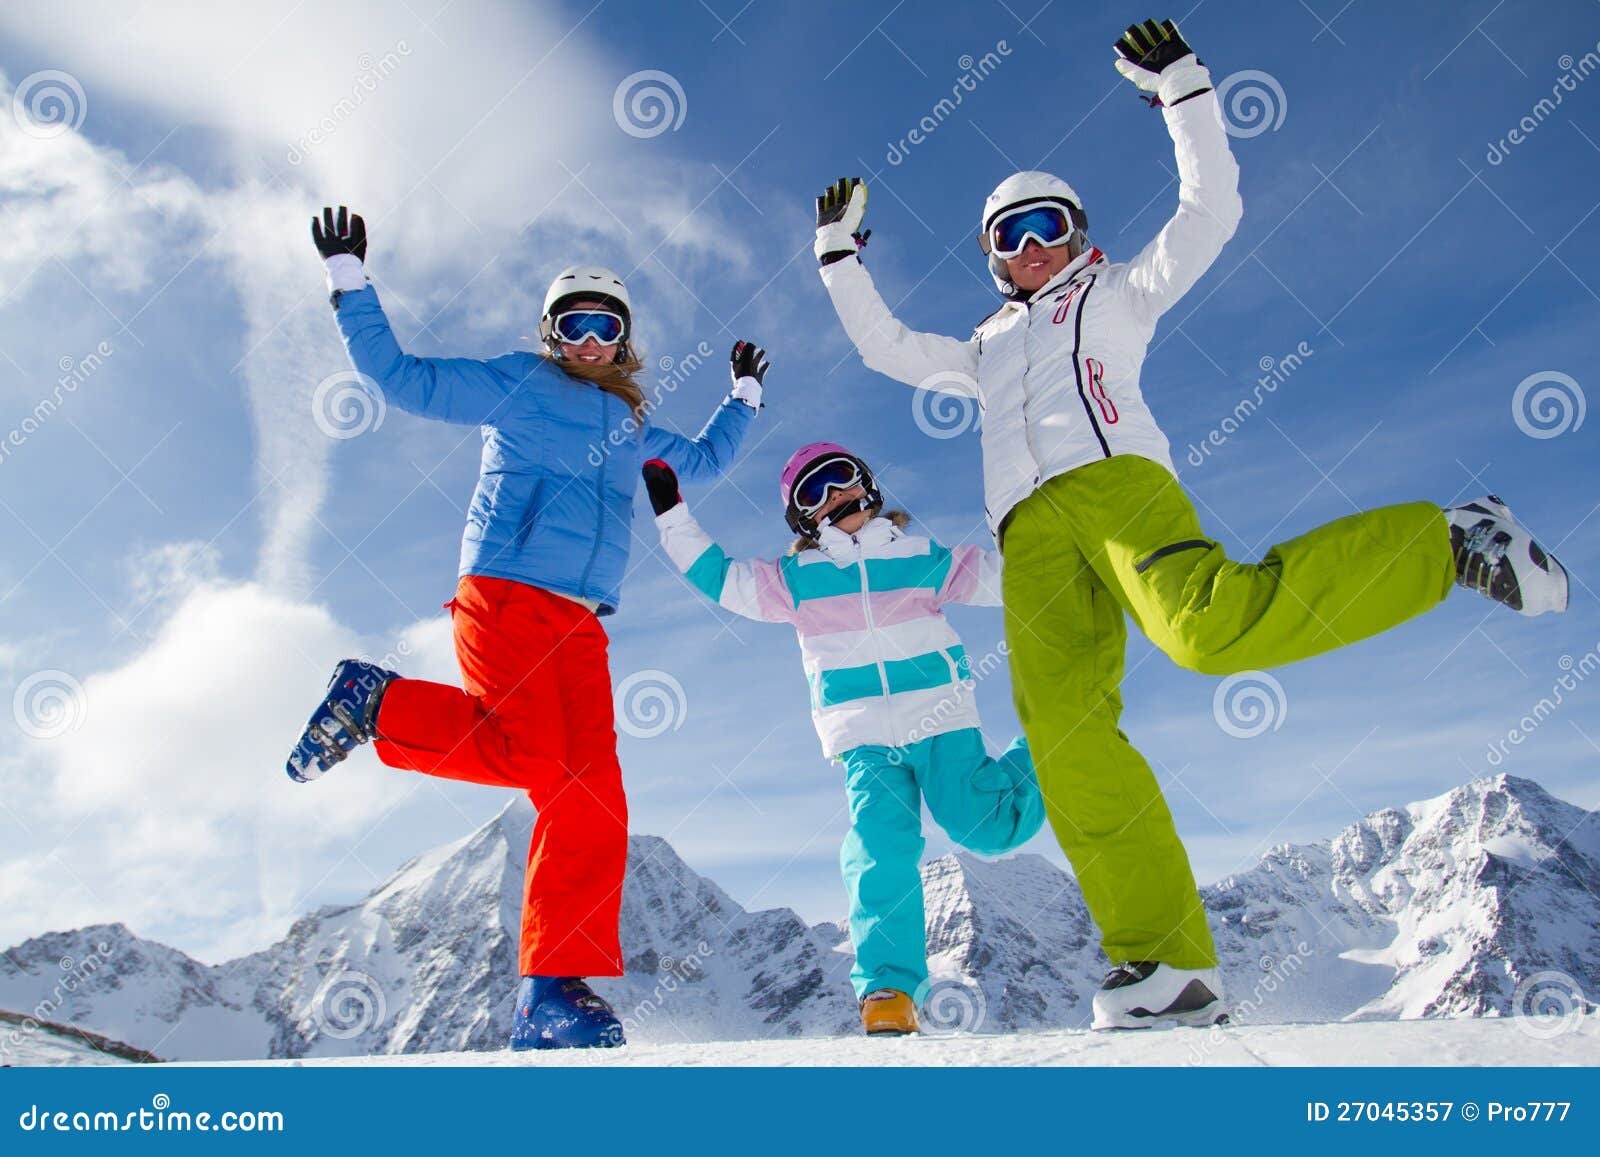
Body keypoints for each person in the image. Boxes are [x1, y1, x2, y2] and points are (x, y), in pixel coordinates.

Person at [813, 20, 1569, 1030]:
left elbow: (1208, 213)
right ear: (992, 261)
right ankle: (1166, 965)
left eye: (1049, 226)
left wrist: (1184, 93)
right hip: (1027, 542)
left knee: (1207, 630)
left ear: (1079, 234)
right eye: (1010, 236)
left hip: (1119, 489)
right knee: (1068, 741)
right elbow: (885, 348)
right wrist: (836, 257)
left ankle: (1449, 540)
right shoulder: (983, 348)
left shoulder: (1117, 295)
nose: (1034, 249)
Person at [284, 206, 770, 1050]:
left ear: (623, 342)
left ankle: (552, 991)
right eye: (573, 324)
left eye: (605, 326)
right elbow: (401, 378)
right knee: (542, 760)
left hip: (582, 625)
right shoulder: (518, 382)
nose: (589, 340)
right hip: (506, 591)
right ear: (551, 333)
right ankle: (381, 703)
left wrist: (744, 398)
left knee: (592, 797)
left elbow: (708, 461)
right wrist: (349, 281)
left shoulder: (633, 428)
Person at [641, 443, 1044, 1035]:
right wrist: (671, 512)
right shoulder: (794, 581)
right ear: (801, 519)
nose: (833, 496)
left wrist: (1057, 542)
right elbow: (720, 577)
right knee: (880, 852)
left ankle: (1049, 747)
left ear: (868, 485)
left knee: (986, 828)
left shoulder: (920, 556)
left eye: (840, 478)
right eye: (813, 492)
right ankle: (889, 986)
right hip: (861, 740)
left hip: (941, 718)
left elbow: (1005, 577)